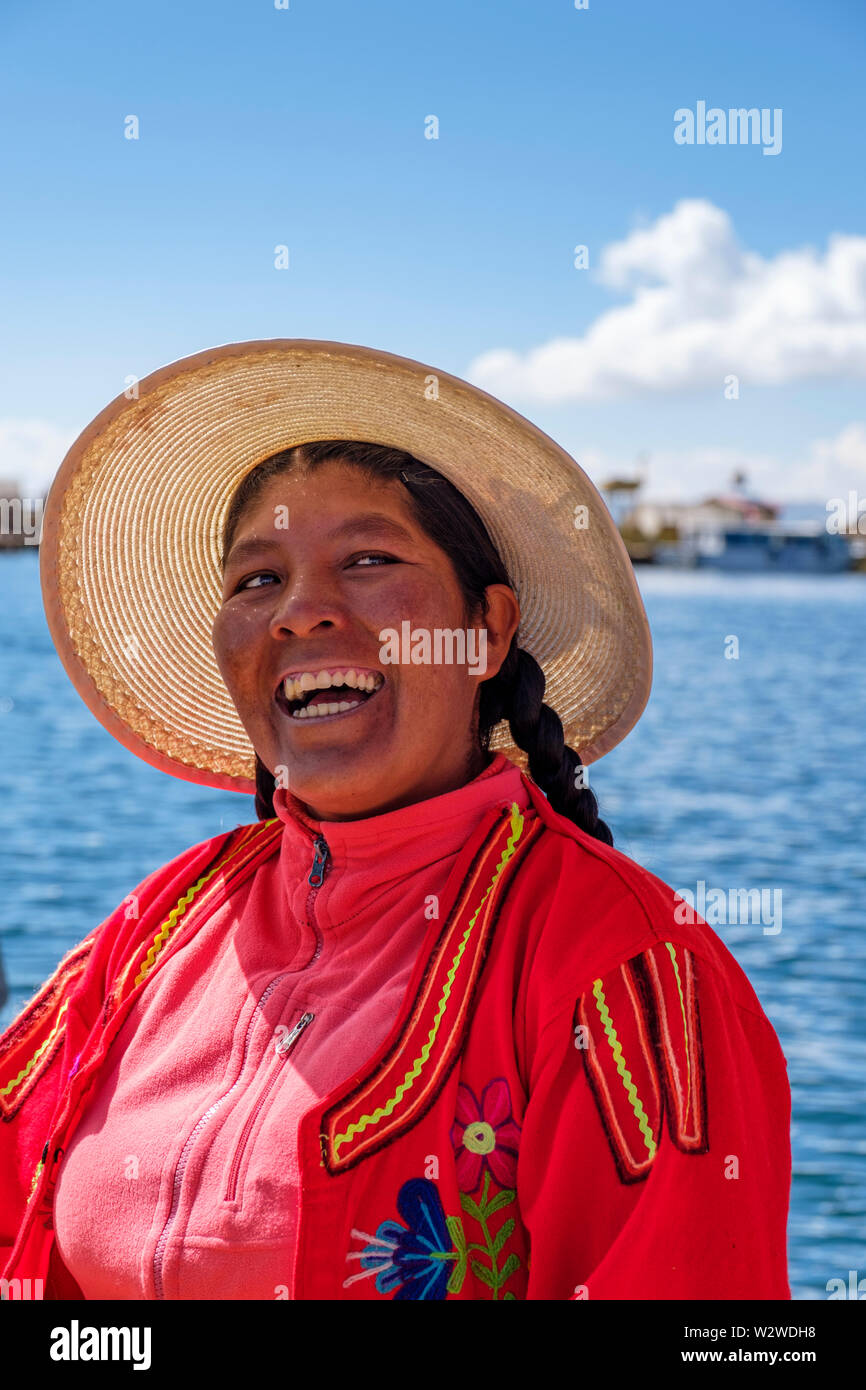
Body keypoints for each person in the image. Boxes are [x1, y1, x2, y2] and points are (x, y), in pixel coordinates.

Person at [0, 340, 791, 1300]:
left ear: (488, 630)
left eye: (369, 561)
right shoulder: (156, 932)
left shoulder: (622, 970)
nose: (300, 612)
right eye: (258, 580)